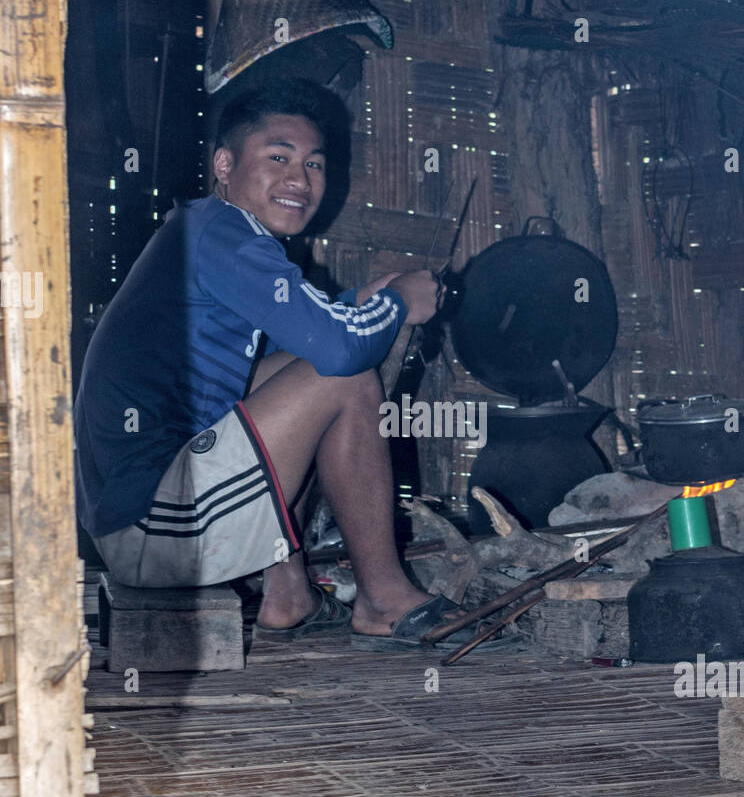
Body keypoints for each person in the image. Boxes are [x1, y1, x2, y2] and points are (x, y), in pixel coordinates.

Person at [74, 79, 470, 646]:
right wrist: (401, 300)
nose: (299, 180)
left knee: (290, 371)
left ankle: (288, 596)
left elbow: (307, 340)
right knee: (345, 374)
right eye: (278, 157)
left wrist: (362, 303)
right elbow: (337, 350)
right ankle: (383, 598)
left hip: (135, 523)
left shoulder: (210, 231)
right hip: (155, 531)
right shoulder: (222, 233)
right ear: (225, 164)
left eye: (314, 164)